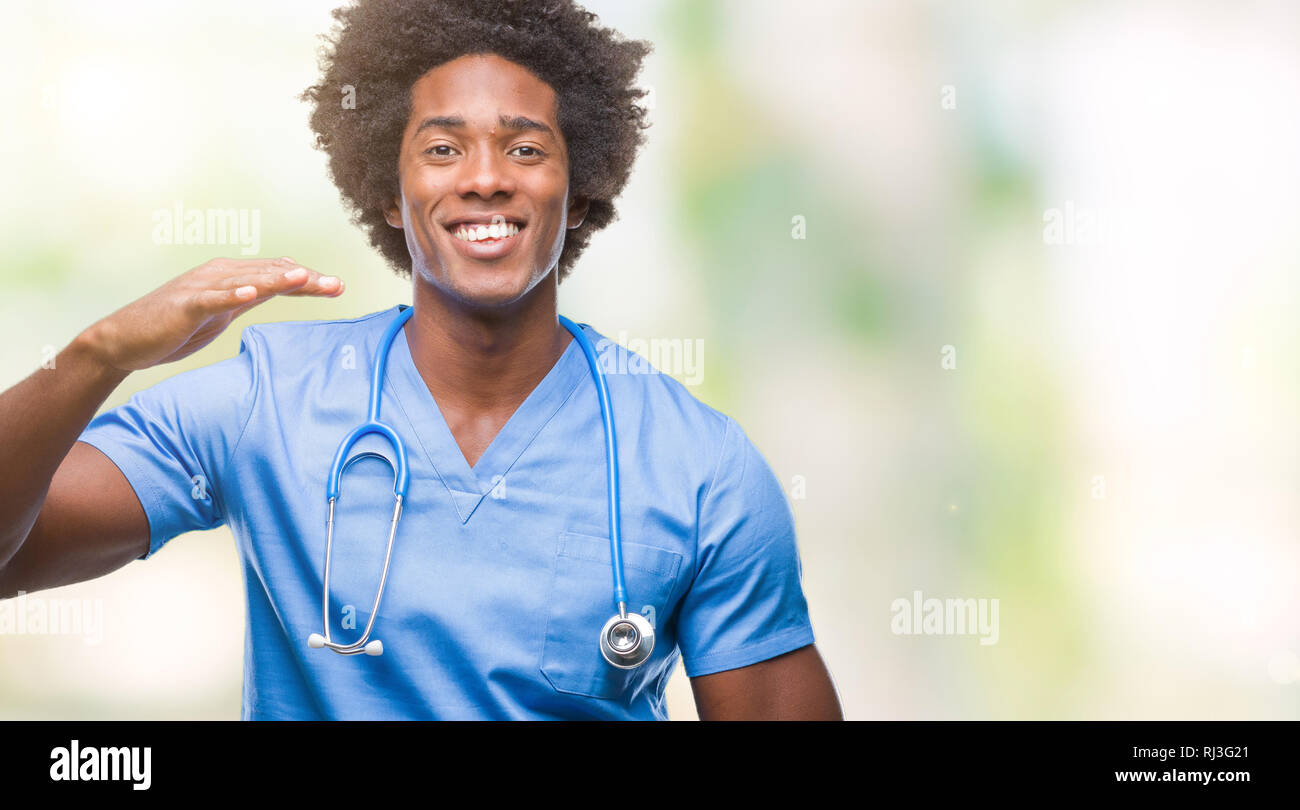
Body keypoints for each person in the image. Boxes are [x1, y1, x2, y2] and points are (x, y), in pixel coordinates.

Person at [0, 0, 841, 720]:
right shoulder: (270, 401)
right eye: (442, 149)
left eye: (525, 149)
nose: (484, 179)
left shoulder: (699, 467)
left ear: (579, 189)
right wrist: (97, 354)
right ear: (387, 194)